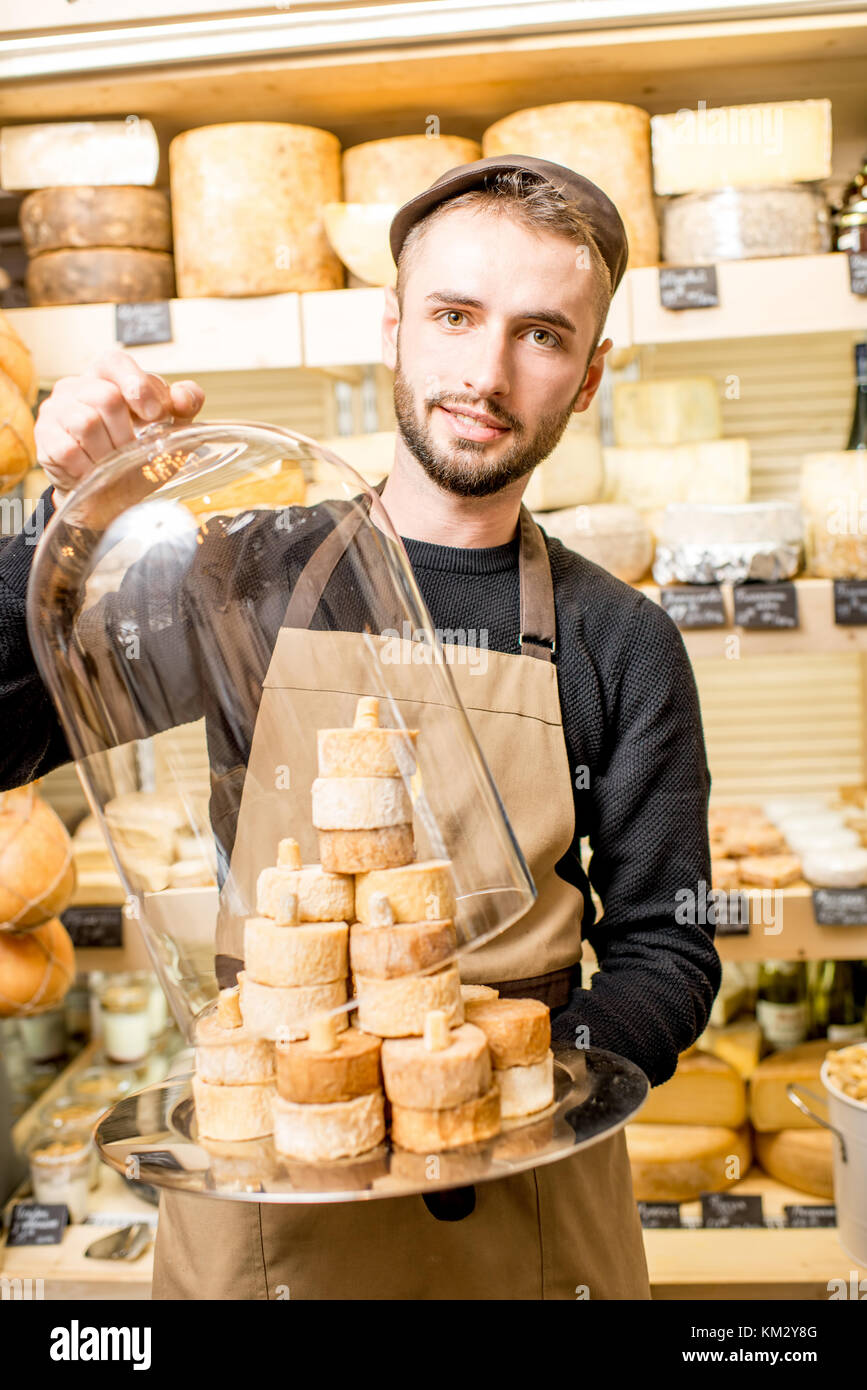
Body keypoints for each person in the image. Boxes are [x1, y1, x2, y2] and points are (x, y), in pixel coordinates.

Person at [0, 156, 720, 1299]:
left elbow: (669, 950)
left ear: (589, 377)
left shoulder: (621, 639)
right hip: (270, 1196)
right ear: (393, 327)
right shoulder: (250, 575)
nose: (485, 373)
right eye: (453, 315)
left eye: (541, 335)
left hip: (524, 1206)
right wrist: (72, 526)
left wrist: (501, 1088)